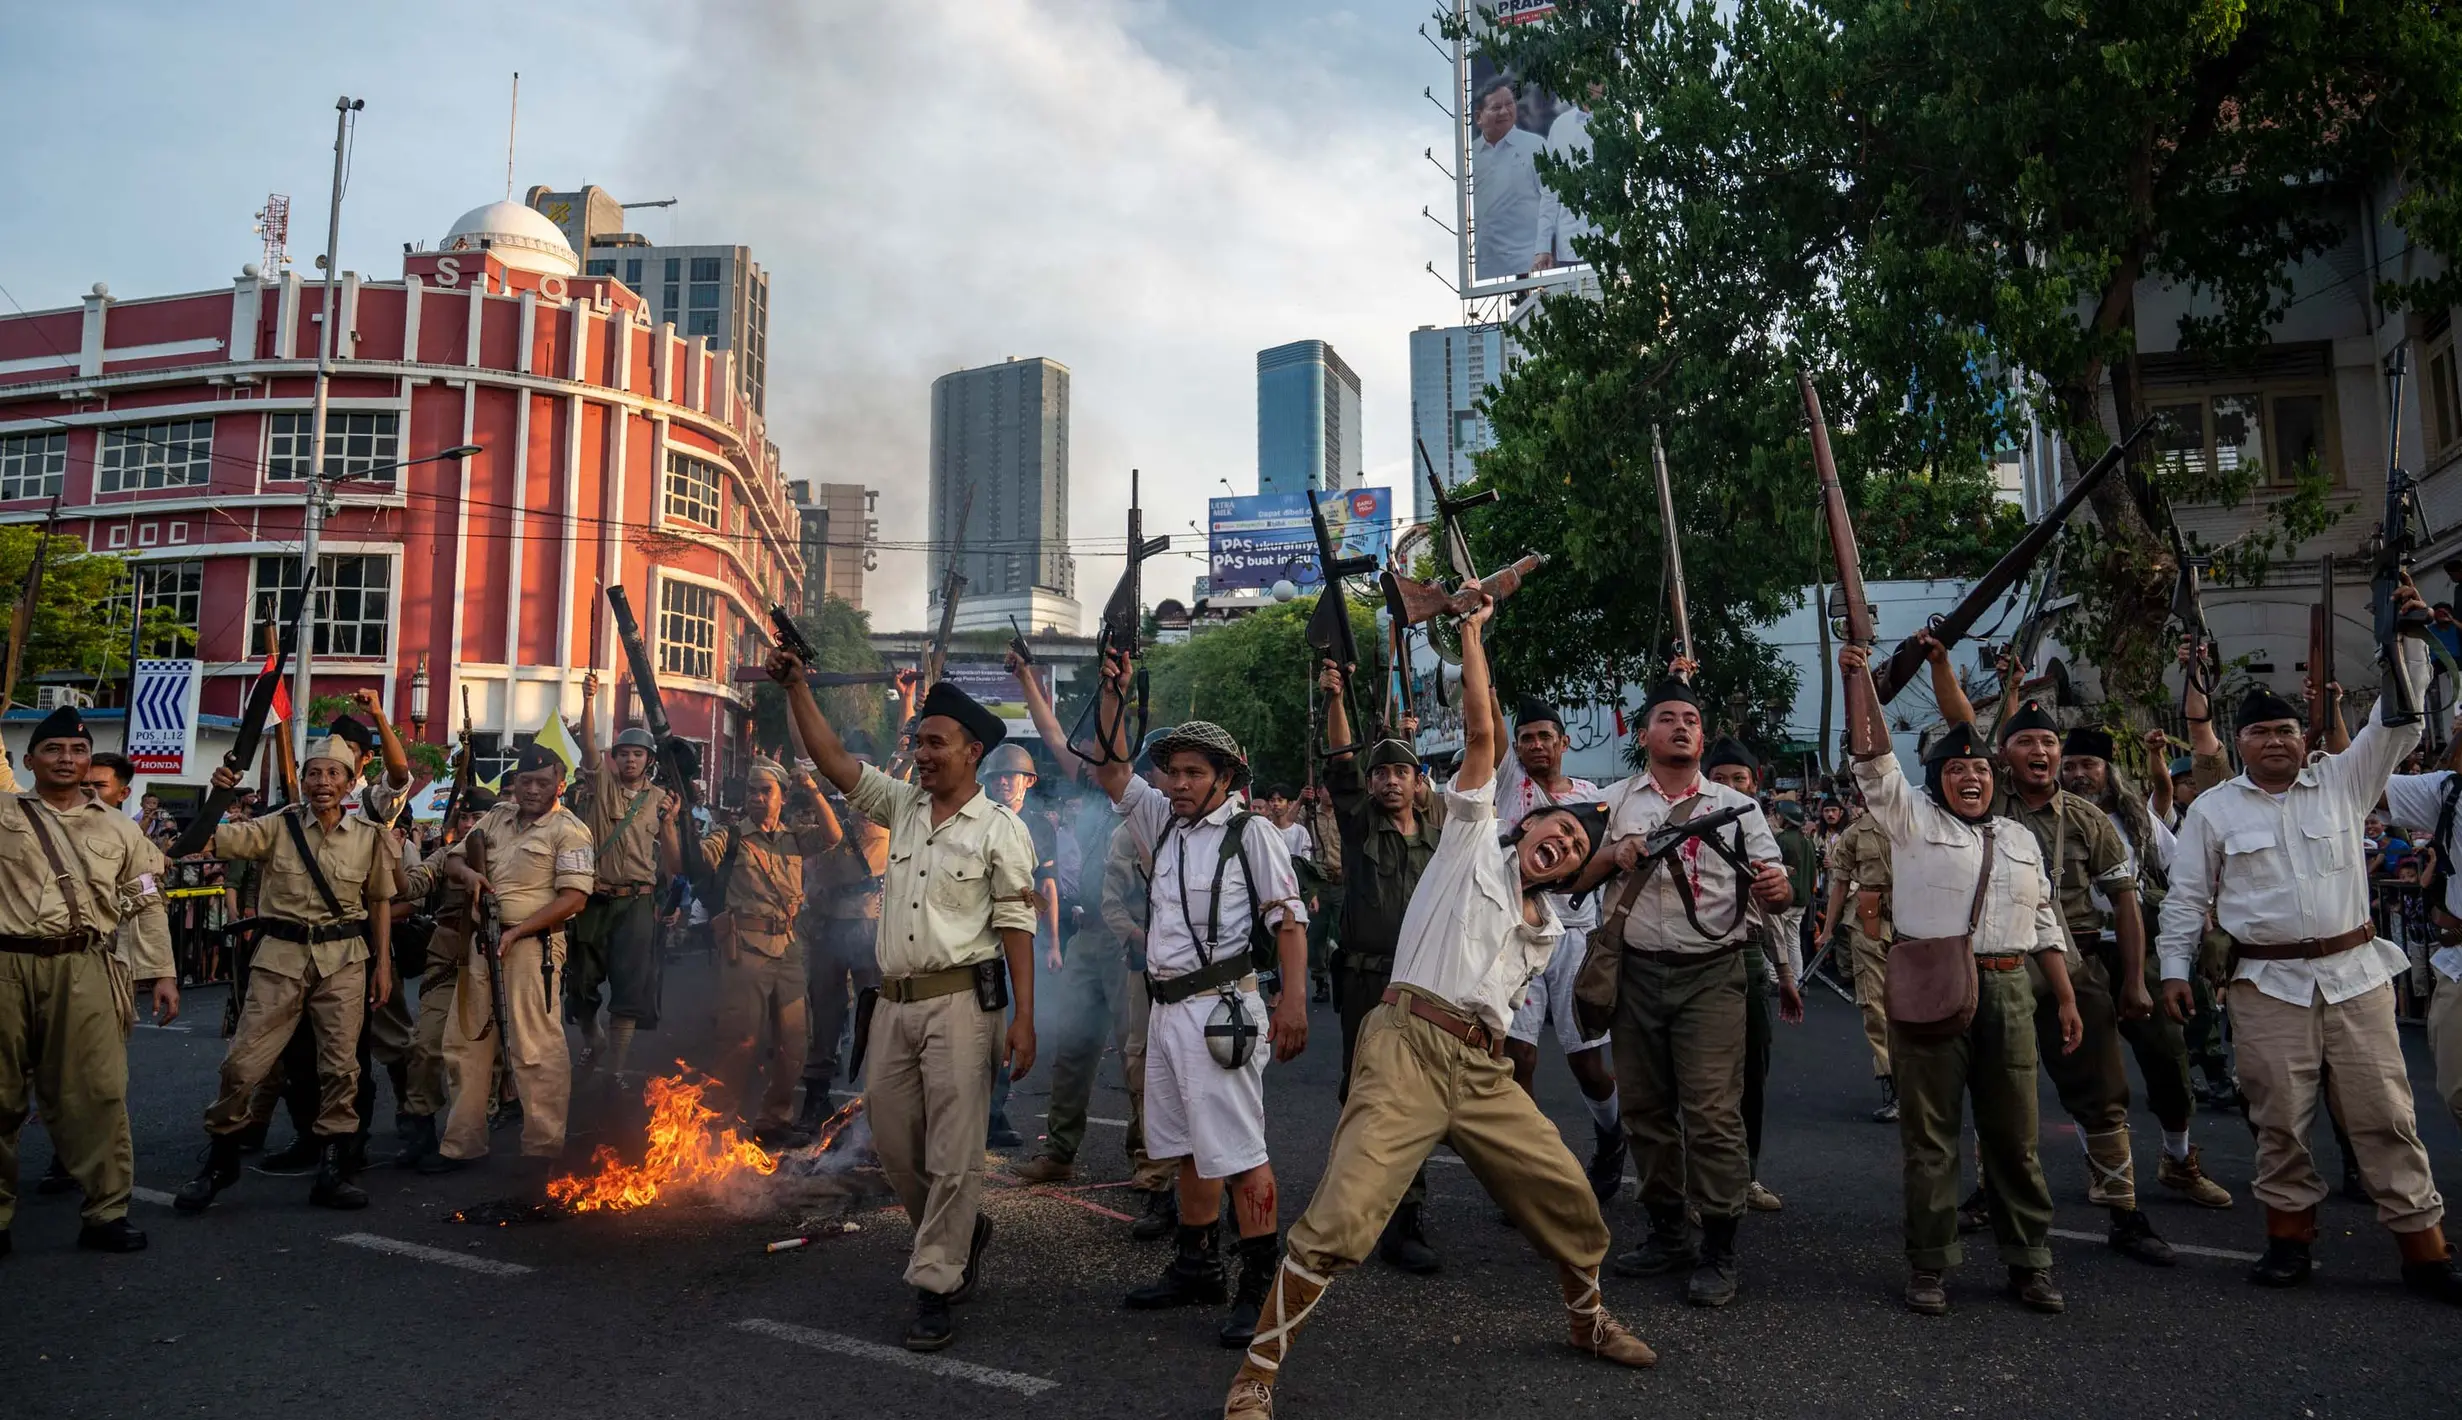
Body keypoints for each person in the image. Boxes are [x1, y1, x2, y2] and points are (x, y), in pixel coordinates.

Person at [1219, 597, 1653, 1420]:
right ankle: (1257, 1372)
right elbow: (1485, 737)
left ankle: (1587, 1320)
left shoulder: (1547, 927)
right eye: (1553, 829)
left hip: (1481, 1070)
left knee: (1567, 1195)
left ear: (1569, 871)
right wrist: (1470, 635)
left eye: (1572, 849)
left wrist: (1616, 851)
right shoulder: (1469, 846)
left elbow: (1598, 882)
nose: (1558, 843)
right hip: (1408, 1043)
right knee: (1344, 1217)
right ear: (1528, 825)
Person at [2160, 604, 2462, 1303]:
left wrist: (2407, 639)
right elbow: (2183, 901)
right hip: (2266, 985)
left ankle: (2425, 1252)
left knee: (2385, 1117)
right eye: (2261, 731)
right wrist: (2174, 971)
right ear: (2240, 743)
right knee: (2278, 1120)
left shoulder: (2343, 781)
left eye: (2287, 729)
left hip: (2355, 977)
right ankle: (2288, 1243)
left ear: (2304, 736)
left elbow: (2402, 722)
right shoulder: (2214, 811)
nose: (2276, 741)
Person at [771, 651, 1037, 1353]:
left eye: (932, 742)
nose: (918, 754)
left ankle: (935, 1284)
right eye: (917, 741)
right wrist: (797, 687)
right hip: (890, 1007)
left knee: (956, 1156)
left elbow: (1016, 925)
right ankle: (959, 1232)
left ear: (972, 752)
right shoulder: (901, 804)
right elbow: (832, 761)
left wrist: (1025, 1020)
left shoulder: (1001, 830)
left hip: (962, 1007)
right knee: (892, 1145)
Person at [1838, 643, 2081, 1315]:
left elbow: (2043, 923)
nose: (1970, 778)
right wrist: (1860, 683)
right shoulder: (1911, 822)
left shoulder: (2020, 839)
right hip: (1931, 989)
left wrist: (2061, 994)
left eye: (1980, 767)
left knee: (2016, 1140)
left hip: (2009, 990)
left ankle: (2030, 1262)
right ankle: (1929, 1265)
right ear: (1936, 779)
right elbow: (1874, 763)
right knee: (1930, 1139)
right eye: (1957, 769)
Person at [1925, 646, 2177, 1265]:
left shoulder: (2090, 818)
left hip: (2077, 960)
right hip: (1997, 963)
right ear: (2002, 757)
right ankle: (1991, 1194)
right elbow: (1964, 724)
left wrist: (2137, 982)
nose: (2040, 753)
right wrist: (1941, 667)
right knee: (1994, 1084)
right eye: (2026, 742)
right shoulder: (1991, 798)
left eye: (2049, 743)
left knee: (2100, 1087)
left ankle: (2122, 1209)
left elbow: (2126, 902)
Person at [1088, 664, 1310, 1350]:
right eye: (1171, 771)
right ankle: (1197, 1265)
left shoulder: (1254, 834)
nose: (1176, 783)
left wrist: (1294, 1003)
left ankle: (1258, 1285)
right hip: (1167, 1012)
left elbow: (1290, 921)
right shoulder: (1165, 824)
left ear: (1224, 777)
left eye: (1191, 772)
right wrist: (1112, 694)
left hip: (1224, 1010)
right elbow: (1109, 769)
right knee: (1184, 1145)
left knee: (1241, 1152)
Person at [1563, 676, 1791, 1309]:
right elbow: (1569, 876)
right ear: (1645, 735)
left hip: (1713, 972)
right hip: (1634, 973)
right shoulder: (1610, 803)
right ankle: (1668, 1231)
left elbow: (1775, 882)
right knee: (1645, 1111)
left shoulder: (1736, 804)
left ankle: (1719, 1244)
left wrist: (1779, 892)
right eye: (1668, 718)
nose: (1682, 726)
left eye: (1691, 717)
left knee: (1714, 1112)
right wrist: (1617, 855)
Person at [175, 730, 393, 1213]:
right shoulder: (276, 827)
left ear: (351, 781)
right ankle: (221, 1160)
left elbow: (378, 902)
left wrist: (384, 967)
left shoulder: (368, 838)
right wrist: (220, 793)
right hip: (280, 959)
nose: (322, 782)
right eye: (314, 773)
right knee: (243, 1064)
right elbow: (202, 840)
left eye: (334, 773)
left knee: (341, 1068)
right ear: (303, 781)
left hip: (344, 962)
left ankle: (333, 1168)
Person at [0, 708, 175, 1255]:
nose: (66, 760)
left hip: (85, 965)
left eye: (77, 751)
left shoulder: (120, 828)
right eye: (53, 750)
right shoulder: (3, 814)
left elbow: (146, 903)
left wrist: (162, 972)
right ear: (29, 760)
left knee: (98, 1091)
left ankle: (106, 1212)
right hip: (6, 963)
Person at [1004, 657, 1176, 1210]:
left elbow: (1111, 743)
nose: (1103, 759)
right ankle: (1059, 1148)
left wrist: (1116, 695)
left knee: (1139, 1056)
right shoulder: (1093, 786)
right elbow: (1052, 733)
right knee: (1073, 1048)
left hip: (1134, 944)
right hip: (1088, 936)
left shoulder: (1153, 809)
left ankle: (1150, 1164)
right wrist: (1028, 676)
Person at [1307, 660, 1448, 1273]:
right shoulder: (1360, 823)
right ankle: (1353, 1209)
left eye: (1402, 772)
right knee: (1362, 1091)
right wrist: (1335, 698)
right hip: (1368, 983)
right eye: (1382, 773)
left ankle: (1406, 1215)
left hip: (1425, 983)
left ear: (1419, 783)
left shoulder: (1439, 831)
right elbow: (1339, 763)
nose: (1391, 782)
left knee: (1416, 1098)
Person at [2058, 724, 2233, 1209]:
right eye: (2069, 766)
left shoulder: (2134, 819)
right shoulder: (2049, 818)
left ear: (2107, 772)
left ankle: (2178, 1160)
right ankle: (2104, 1168)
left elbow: (2182, 871)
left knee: (2168, 1057)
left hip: (2138, 951)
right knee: (2087, 1068)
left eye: (2087, 765)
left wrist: (2198, 923)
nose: (2077, 775)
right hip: (2077, 953)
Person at [422, 743, 594, 1175]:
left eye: (542, 782)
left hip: (532, 949)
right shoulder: (495, 817)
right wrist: (469, 875)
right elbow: (455, 857)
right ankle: (461, 1144)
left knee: (535, 1049)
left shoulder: (570, 830)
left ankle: (543, 1149)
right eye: (525, 782)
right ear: (514, 783)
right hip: (482, 944)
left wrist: (518, 931)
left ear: (560, 783)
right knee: (466, 1045)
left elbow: (574, 898)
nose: (532, 790)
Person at [662, 757, 838, 1148]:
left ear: (782, 797)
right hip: (746, 949)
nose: (757, 799)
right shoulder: (730, 837)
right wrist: (670, 825)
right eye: (752, 792)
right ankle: (719, 1123)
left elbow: (833, 836)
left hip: (789, 948)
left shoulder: (794, 837)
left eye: (766, 791)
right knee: (738, 1041)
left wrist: (812, 787)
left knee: (795, 1042)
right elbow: (684, 865)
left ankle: (775, 1120)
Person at [1495, 696, 1626, 1202]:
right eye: (1526, 737)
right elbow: (1485, 714)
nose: (1534, 745)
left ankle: (1612, 1135)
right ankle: (1527, 1171)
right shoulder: (1511, 783)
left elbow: (1614, 857)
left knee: (1587, 1062)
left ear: (1563, 743)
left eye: (1544, 736)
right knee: (1518, 1058)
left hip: (1574, 940)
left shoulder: (1594, 799)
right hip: (1517, 938)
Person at [1709, 743, 1807, 1214]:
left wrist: (1785, 973)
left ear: (1756, 782)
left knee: (1751, 1074)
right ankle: (1698, 1183)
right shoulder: (1686, 826)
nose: (1730, 787)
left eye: (1739, 779)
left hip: (1747, 958)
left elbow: (1770, 915)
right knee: (1697, 1080)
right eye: (1720, 778)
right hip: (1695, 959)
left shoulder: (1758, 832)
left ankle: (1745, 1176)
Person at [569, 672, 672, 1081]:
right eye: (624, 754)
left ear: (649, 760)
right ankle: (594, 1041)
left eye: (638, 755)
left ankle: (614, 1069)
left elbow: (669, 858)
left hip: (638, 901)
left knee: (630, 988)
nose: (630, 760)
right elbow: (589, 746)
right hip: (595, 898)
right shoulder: (602, 784)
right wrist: (589, 700)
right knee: (580, 984)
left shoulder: (663, 799)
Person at [392, 789, 493, 1169]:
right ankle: (419, 1124)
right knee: (425, 1043)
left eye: (477, 816)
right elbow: (413, 884)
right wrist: (391, 855)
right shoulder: (449, 854)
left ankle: (467, 1135)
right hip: (448, 955)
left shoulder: (510, 851)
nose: (469, 824)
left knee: (479, 1055)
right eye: (464, 817)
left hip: (495, 958)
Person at [977, 740, 1059, 1151]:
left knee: (1015, 1025)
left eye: (1011, 775)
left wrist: (1054, 944)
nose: (1004, 782)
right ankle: (979, 1112)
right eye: (997, 776)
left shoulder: (1040, 826)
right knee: (983, 1027)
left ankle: (993, 1112)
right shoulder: (978, 819)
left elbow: (1046, 887)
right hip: (980, 939)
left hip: (1023, 936)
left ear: (1029, 780)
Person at [1470, 75, 1546, 281]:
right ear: (1479, 117)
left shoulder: (1534, 147)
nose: (1504, 111)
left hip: (1529, 264)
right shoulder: (1471, 157)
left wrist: (1546, 250)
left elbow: (1553, 201)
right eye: (1496, 108)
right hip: (1485, 269)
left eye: (1509, 104)